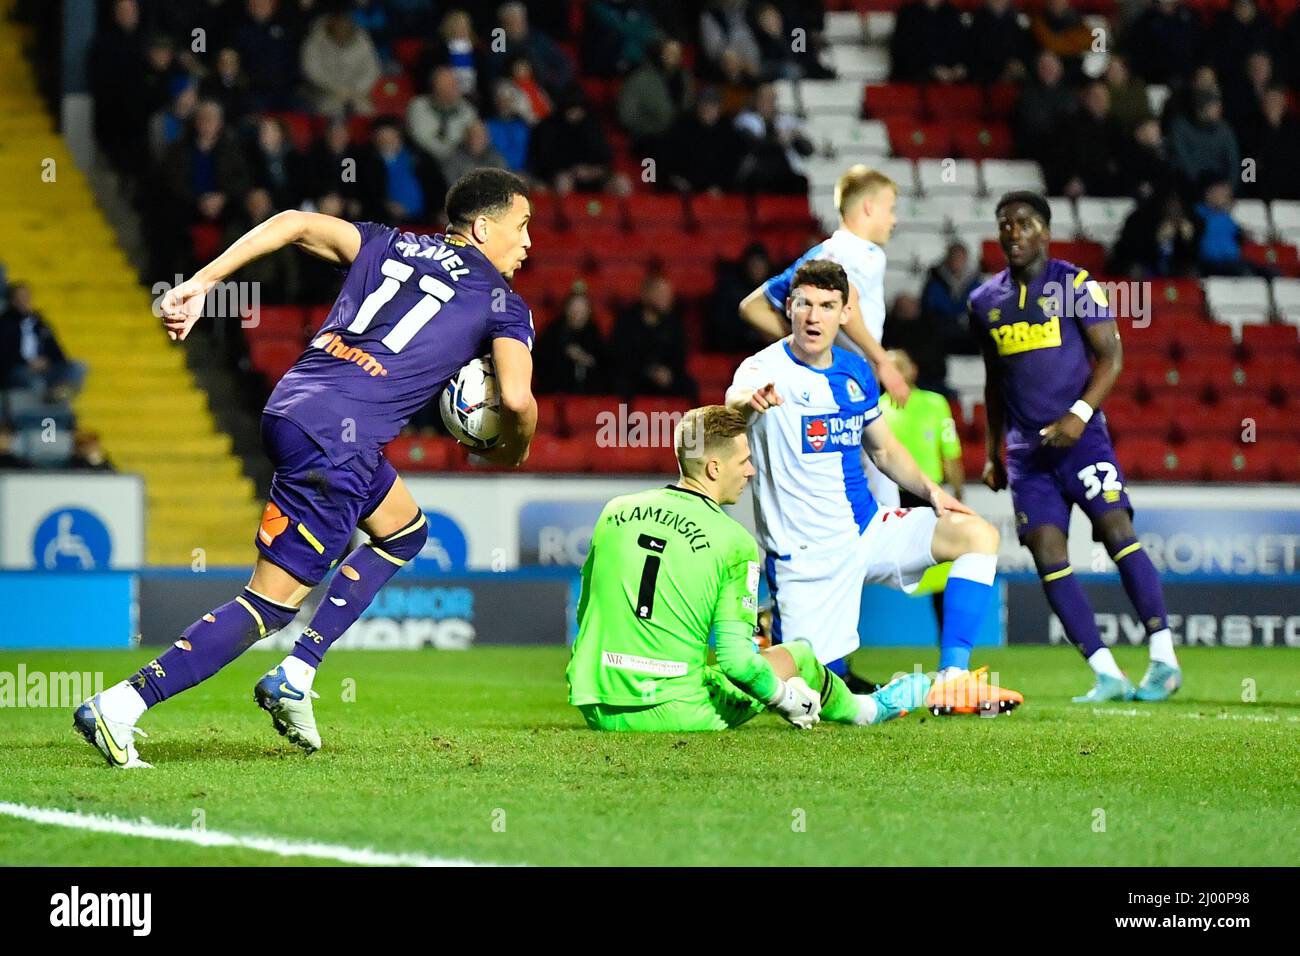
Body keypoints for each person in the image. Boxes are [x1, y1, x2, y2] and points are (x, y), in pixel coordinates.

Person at [73, 169, 540, 768]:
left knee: (406, 531)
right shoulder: (505, 304)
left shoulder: (390, 242)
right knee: (268, 605)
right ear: (482, 227)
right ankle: (122, 705)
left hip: (293, 407)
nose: (528, 243)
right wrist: (510, 448)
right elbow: (520, 402)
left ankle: (297, 672)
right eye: (522, 226)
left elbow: (292, 223)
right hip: (336, 442)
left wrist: (202, 283)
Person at [728, 260, 1022, 714]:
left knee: (977, 535)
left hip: (867, 529)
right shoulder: (762, 369)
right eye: (804, 304)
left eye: (827, 306)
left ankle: (951, 678)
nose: (813, 316)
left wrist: (932, 491)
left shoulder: (855, 371)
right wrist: (748, 403)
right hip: (807, 556)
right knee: (805, 685)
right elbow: (734, 405)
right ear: (789, 307)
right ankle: (721, 669)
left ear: (845, 313)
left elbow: (883, 449)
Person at [566, 404, 931, 732]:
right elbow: (737, 661)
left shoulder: (615, 510)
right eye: (743, 461)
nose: (751, 470)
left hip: (596, 702)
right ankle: (869, 709)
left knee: (703, 671)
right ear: (713, 467)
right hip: (672, 711)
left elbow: (587, 612)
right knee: (799, 654)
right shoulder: (733, 540)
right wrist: (787, 699)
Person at [972, 191, 1182, 703]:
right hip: (1027, 456)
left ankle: (1163, 658)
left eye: (1024, 223)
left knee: (1117, 531)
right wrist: (992, 450)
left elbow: (1111, 355)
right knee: (1048, 556)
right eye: (1005, 225)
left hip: (1083, 442)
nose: (1013, 233)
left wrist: (1078, 415)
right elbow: (994, 381)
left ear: (1044, 231)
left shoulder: (1073, 285)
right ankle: (1106, 672)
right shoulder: (984, 302)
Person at [739, 165, 912, 520]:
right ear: (868, 208)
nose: (894, 220)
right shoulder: (845, 253)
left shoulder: (834, 252)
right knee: (876, 473)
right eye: (890, 208)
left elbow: (752, 306)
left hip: (846, 380)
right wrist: (881, 361)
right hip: (836, 384)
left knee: (874, 475)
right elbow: (852, 305)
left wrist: (808, 339)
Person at [879, 348, 964, 628]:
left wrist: (958, 494)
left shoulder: (935, 403)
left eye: (900, 366)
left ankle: (948, 645)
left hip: (931, 497)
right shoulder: (875, 409)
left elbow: (950, 452)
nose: (895, 373)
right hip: (890, 499)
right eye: (888, 367)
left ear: (913, 370)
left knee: (941, 571)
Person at [610, 275, 694, 398]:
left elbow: (679, 356)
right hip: (635, 376)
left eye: (668, 294)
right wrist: (648, 371)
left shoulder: (674, 324)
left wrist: (668, 373)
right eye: (661, 293)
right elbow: (620, 355)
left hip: (666, 377)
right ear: (646, 295)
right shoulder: (627, 321)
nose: (667, 298)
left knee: (689, 387)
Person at [0, 284, 86, 399]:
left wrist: (48, 361)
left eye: (26, 297)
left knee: (78, 367)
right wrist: (28, 363)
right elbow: (4, 354)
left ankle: (57, 393)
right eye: (20, 298)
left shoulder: (39, 322)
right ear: (12, 301)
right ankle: (49, 399)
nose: (25, 301)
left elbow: (55, 348)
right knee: (35, 381)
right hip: (19, 369)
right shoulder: (4, 323)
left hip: (44, 367)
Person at [534, 288, 610, 393]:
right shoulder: (553, 332)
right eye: (574, 308)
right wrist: (565, 355)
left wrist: (586, 359)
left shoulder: (594, 333)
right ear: (566, 309)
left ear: (589, 311)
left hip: (590, 395)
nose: (577, 314)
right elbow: (540, 364)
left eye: (582, 309)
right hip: (555, 392)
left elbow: (606, 366)